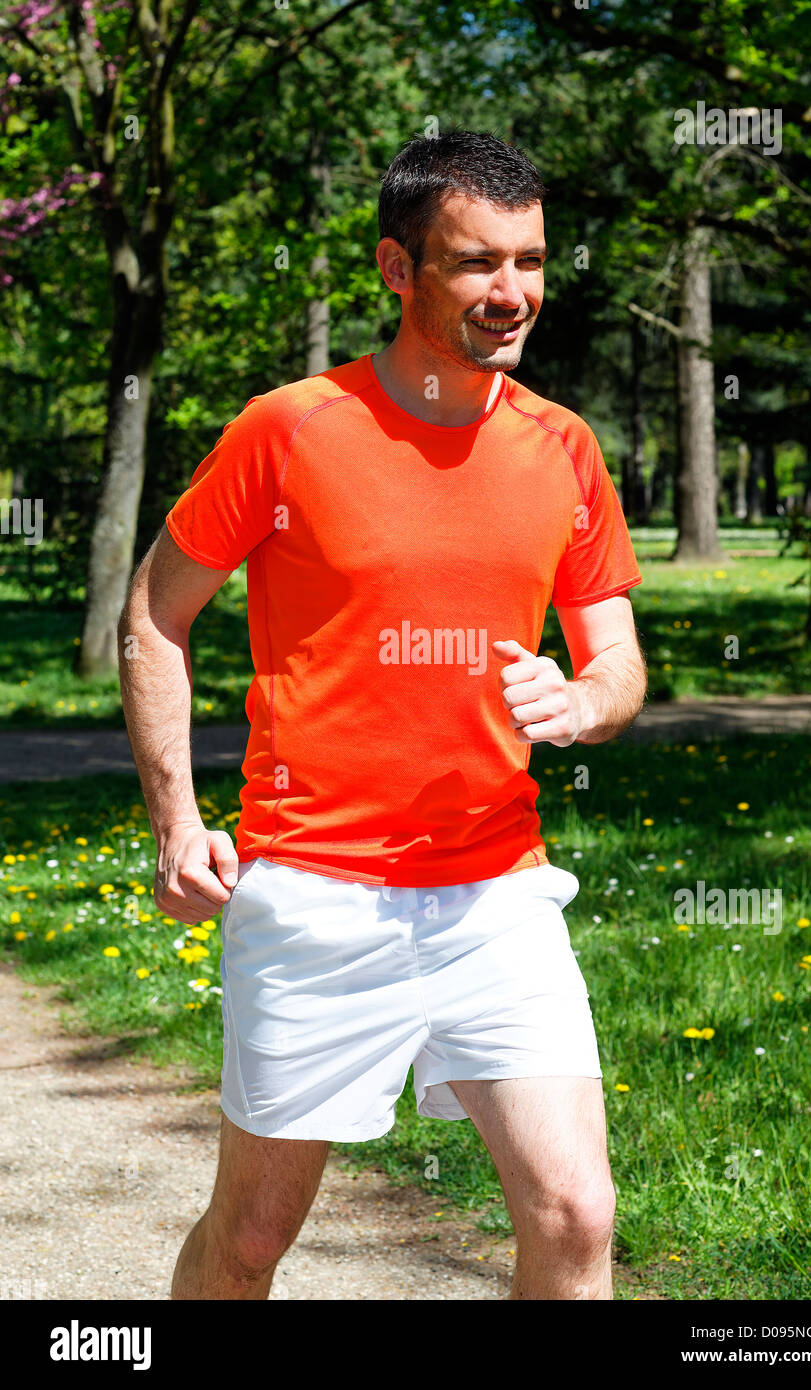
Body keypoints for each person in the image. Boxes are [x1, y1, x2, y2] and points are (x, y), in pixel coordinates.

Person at [118, 128, 647, 1301]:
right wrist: (176, 824)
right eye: (475, 262)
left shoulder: (562, 447)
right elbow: (154, 615)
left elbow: (616, 661)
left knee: (574, 1214)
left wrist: (580, 697)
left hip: (497, 892)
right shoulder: (289, 428)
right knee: (251, 1238)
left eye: (529, 260)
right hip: (313, 893)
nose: (511, 293)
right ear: (397, 269)